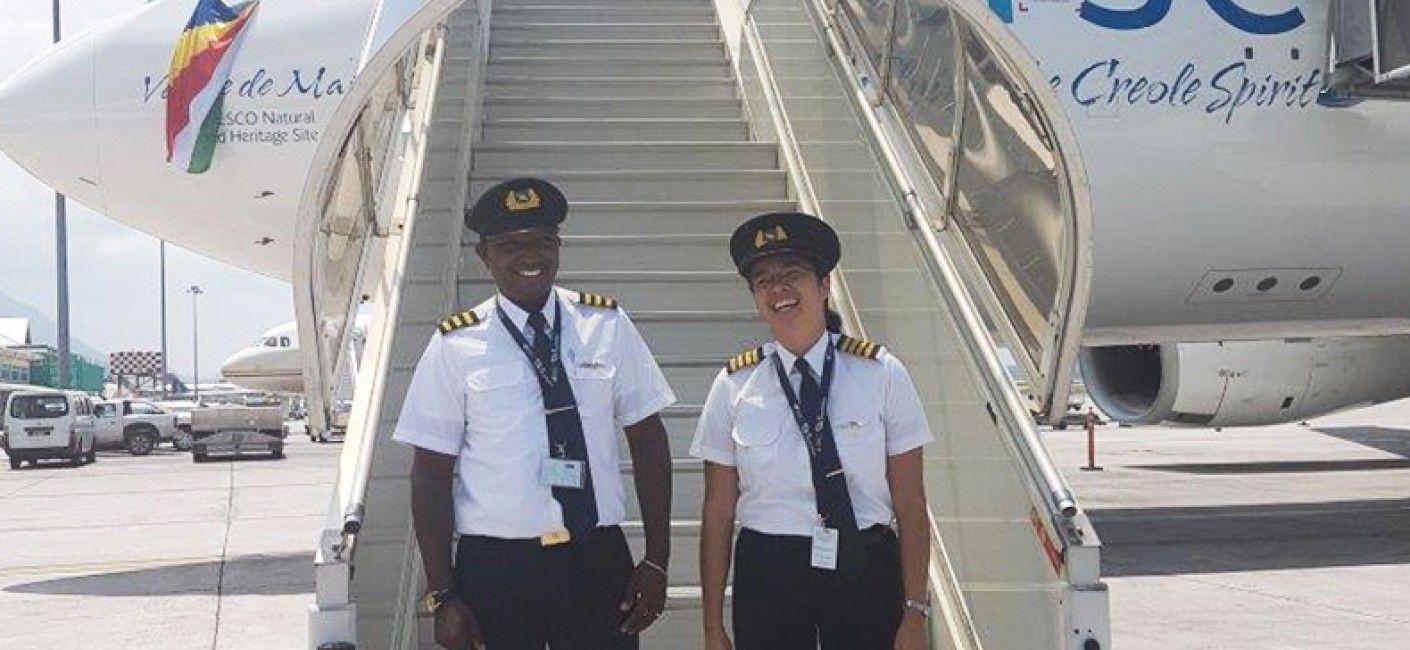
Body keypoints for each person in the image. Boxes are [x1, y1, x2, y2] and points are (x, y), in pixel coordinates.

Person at [393, 177, 677, 650]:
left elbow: (648, 440)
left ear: (558, 247)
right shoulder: (455, 344)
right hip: (498, 569)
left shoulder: (605, 324)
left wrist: (658, 560)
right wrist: (443, 595)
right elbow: (429, 474)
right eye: (509, 245)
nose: (529, 257)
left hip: (595, 558)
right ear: (484, 256)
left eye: (543, 242)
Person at [692, 212, 934, 650]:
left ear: (824, 286)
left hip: (865, 564)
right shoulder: (733, 385)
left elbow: (912, 502)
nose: (778, 289)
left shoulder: (881, 373)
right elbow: (718, 511)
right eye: (763, 280)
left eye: (792, 274)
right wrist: (712, 626)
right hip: (769, 570)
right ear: (754, 298)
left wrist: (915, 612)